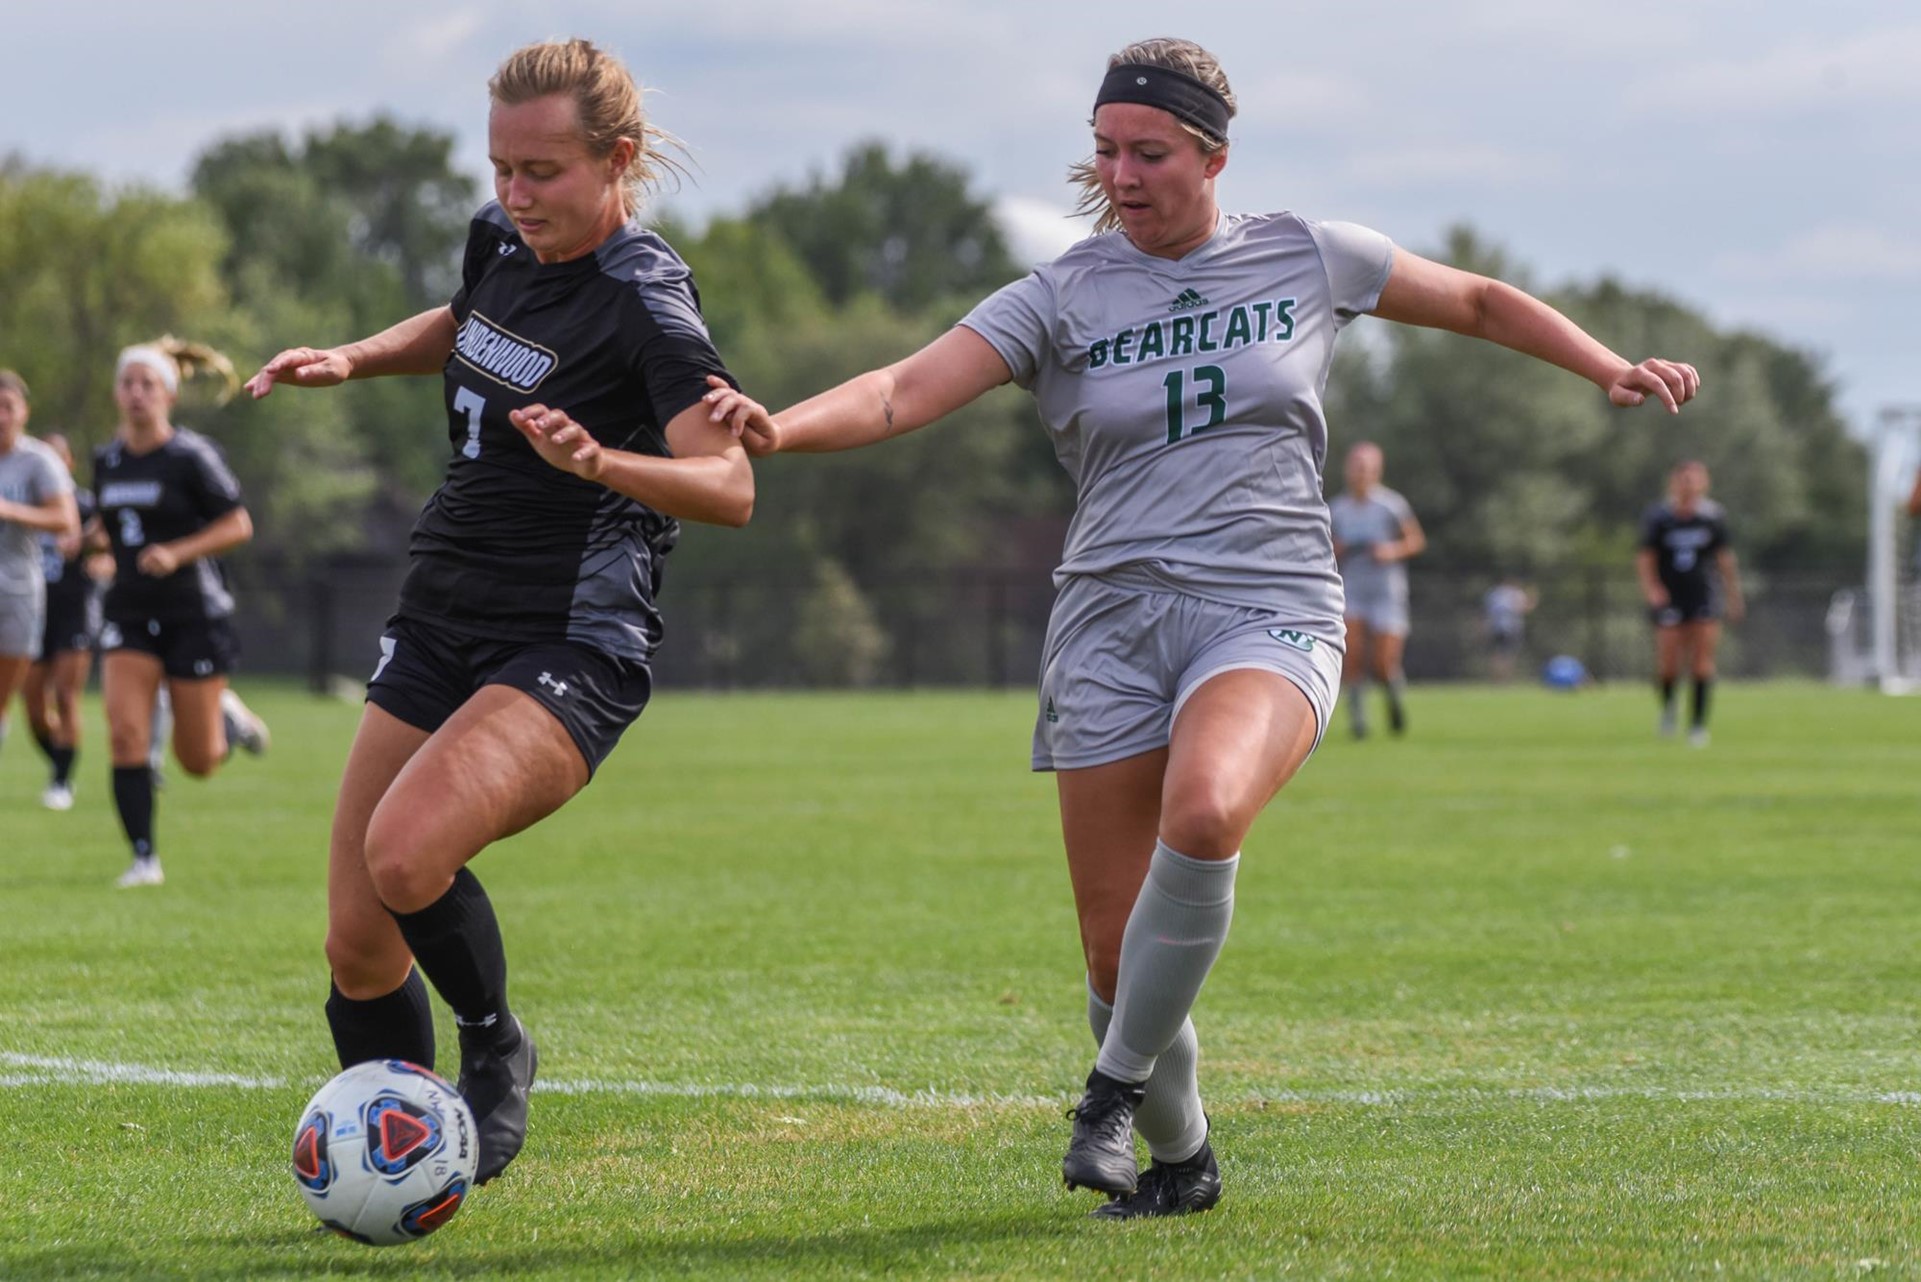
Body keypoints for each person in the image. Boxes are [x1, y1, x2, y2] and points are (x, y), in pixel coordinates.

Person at [703, 35, 1701, 1219]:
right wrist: (776, 427)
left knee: (1209, 807)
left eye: (1150, 152)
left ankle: (1109, 1090)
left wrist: (1604, 368)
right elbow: (896, 391)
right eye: (1105, 151)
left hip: (1268, 600)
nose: (1122, 175)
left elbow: (1478, 300)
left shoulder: (1303, 253)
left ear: (1214, 154)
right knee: (1115, 959)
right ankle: (1181, 1157)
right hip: (1109, 623)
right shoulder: (1061, 293)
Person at [243, 38, 754, 1188]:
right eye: (501, 169)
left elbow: (730, 485)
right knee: (357, 935)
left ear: (616, 161)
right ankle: (403, 1167)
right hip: (440, 610)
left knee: (406, 853)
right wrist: (351, 358)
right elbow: (474, 323)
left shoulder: (646, 300)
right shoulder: (499, 239)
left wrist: (602, 461)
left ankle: (493, 1044)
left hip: (568, 637)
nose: (516, 197)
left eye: (543, 173)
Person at [95, 338, 271, 888]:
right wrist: (89, 543)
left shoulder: (191, 456)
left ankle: (224, 717)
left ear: (169, 394)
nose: (137, 393)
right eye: (128, 383)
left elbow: (237, 525)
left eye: (149, 384)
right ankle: (143, 858)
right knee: (125, 734)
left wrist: (176, 552)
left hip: (194, 614)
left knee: (197, 761)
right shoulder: (107, 460)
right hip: (127, 611)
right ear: (117, 393)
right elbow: (116, 524)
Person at [0, 372, 81, 772]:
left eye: (7, 406)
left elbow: (66, 518)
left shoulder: (38, 461)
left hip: (17, 590)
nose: (0, 416)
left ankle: (62, 770)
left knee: (26, 703)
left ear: (23, 412)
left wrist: (10, 509)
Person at [22, 432, 104, 809]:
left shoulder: (85, 506)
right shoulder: (26, 504)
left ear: (68, 464)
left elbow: (111, 542)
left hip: (75, 611)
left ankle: (61, 781)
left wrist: (94, 550)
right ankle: (60, 760)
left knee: (67, 696)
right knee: (35, 704)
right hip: (35, 612)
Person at [1636, 460, 1741, 746]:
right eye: (1683, 479)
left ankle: (1697, 725)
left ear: (1704, 483)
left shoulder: (1712, 517)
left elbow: (1724, 559)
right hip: (1670, 595)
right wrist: (1653, 590)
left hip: (1704, 594)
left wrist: (1733, 595)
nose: (1689, 485)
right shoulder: (1659, 517)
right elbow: (1646, 559)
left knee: (1702, 662)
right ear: (1673, 483)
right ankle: (1669, 710)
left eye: (1694, 480)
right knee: (1669, 663)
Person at [1329, 442, 1424, 735]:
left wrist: (1390, 551)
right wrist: (1336, 549)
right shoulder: (1337, 509)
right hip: (1353, 590)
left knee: (1383, 662)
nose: (1360, 473)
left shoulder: (1391, 505)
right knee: (1353, 654)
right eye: (1355, 467)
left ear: (1376, 471)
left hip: (1387, 591)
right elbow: (1323, 550)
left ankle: (1393, 699)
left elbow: (1415, 541)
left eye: (1366, 468)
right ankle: (1358, 721)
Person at [1481, 575, 1536, 683]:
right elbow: (1523, 608)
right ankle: (1505, 679)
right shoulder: (1515, 593)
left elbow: (1487, 612)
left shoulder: (1494, 594)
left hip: (1496, 627)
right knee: (1509, 654)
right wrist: (1533, 600)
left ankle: (1496, 679)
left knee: (1497, 654)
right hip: (1512, 627)